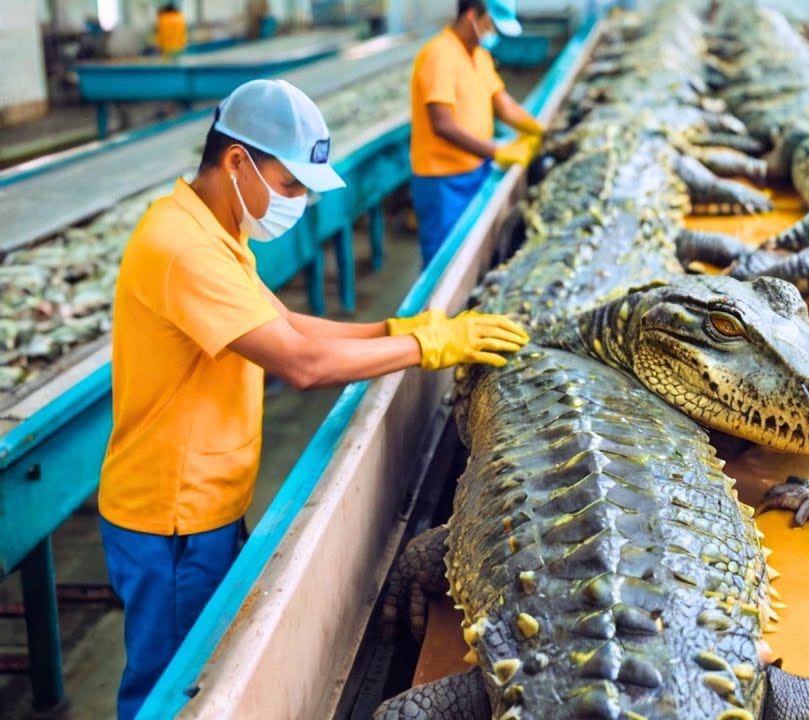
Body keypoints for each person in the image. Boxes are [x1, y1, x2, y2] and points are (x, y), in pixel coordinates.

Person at [97, 78, 528, 720]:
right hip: (172, 517)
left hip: (204, 498)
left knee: (190, 667)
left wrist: (394, 330)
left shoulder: (211, 228)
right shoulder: (182, 247)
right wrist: (427, 349)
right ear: (238, 161)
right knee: (165, 693)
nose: (295, 201)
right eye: (291, 184)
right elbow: (302, 364)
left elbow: (289, 325)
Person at [409, 0, 544, 269]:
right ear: (472, 15)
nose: (492, 32)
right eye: (490, 24)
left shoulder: (479, 57)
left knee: (470, 254)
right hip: (442, 182)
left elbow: (503, 104)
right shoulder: (439, 55)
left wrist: (537, 128)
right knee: (444, 263)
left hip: (475, 169)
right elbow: (442, 124)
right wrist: (498, 151)